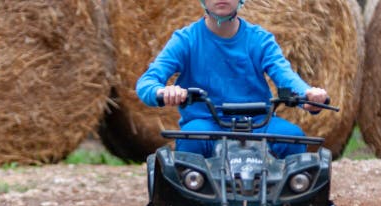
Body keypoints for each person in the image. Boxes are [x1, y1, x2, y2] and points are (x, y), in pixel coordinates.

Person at [135, 0, 329, 159]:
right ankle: (191, 203)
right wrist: (162, 91)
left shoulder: (260, 39)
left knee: (292, 138)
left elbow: (285, 76)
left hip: (259, 123)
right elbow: (146, 83)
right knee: (191, 139)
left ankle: (288, 204)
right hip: (205, 123)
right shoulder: (186, 40)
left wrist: (308, 94)